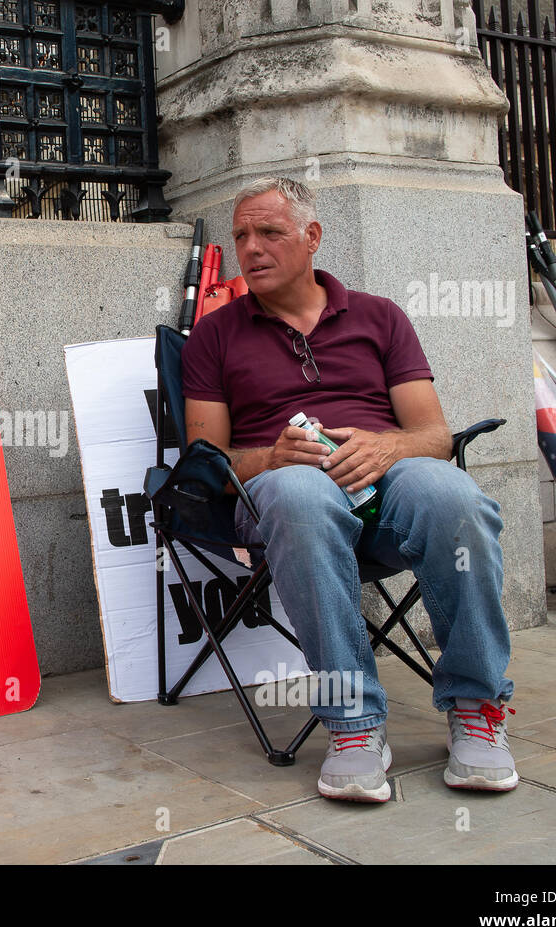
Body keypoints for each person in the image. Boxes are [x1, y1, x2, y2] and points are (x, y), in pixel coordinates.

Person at [181, 176, 517, 803]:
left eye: (269, 232)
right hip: (282, 500)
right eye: (241, 236)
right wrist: (273, 456)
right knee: (300, 494)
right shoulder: (215, 335)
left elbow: (435, 434)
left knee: (452, 496)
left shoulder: (379, 316)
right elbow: (209, 461)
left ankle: (477, 707)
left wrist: (386, 444)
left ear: (312, 237)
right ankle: (355, 725)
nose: (251, 248)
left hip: (385, 485)